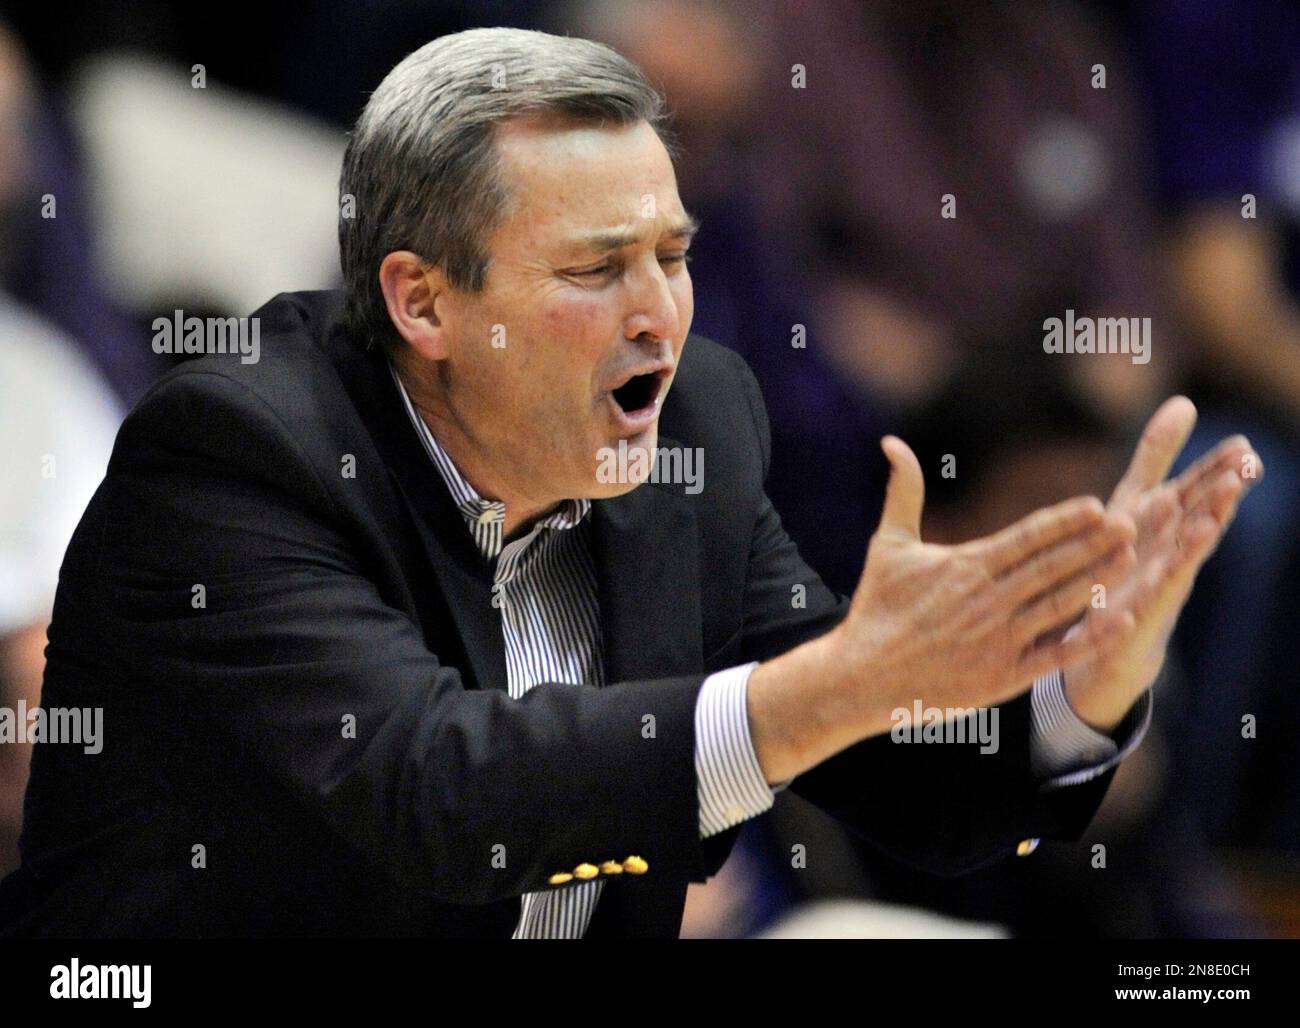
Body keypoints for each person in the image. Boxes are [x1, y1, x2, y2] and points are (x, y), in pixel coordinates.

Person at [0, 28, 1260, 938]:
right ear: (423, 299)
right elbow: (439, 788)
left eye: (673, 254)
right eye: (597, 267)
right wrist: (833, 683)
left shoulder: (692, 431)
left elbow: (907, 781)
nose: (661, 315)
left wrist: (1071, 687)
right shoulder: (234, 453)